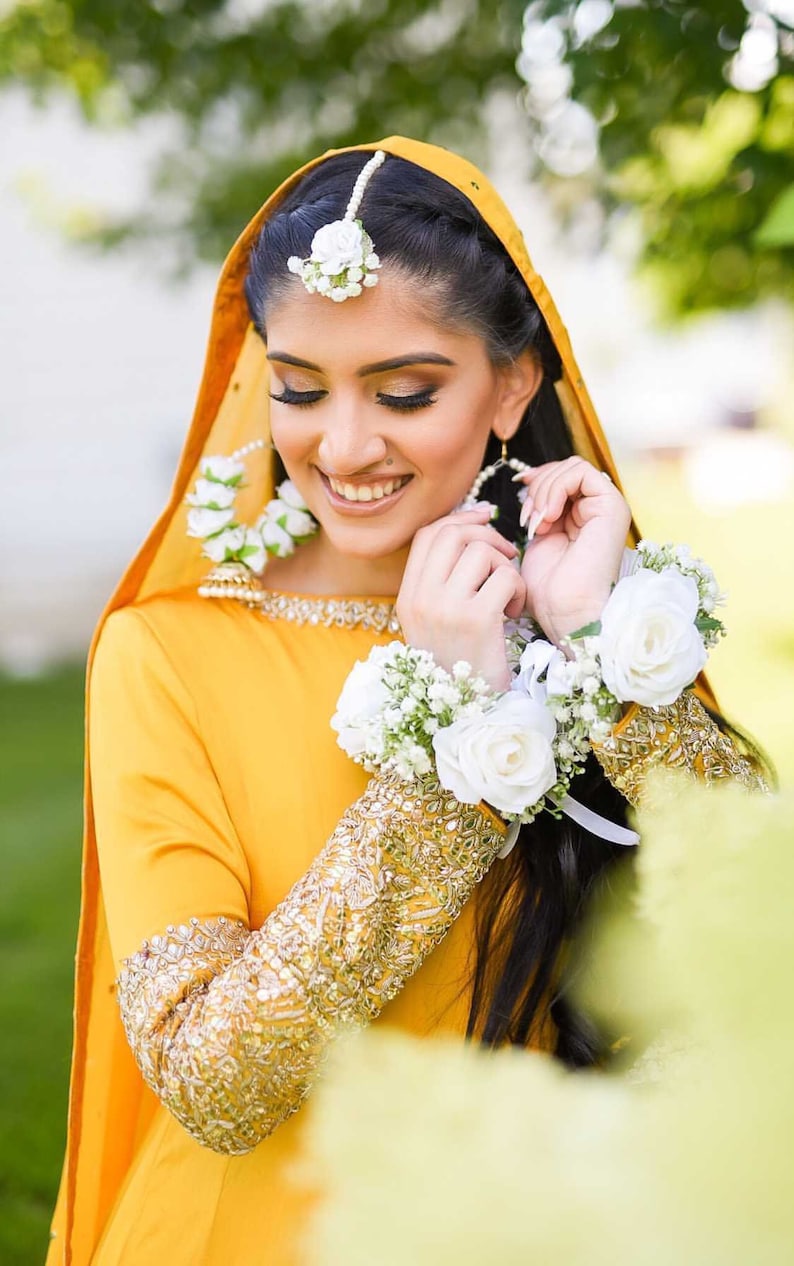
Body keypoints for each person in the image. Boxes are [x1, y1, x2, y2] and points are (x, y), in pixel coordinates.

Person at [46, 137, 769, 1266]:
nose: (340, 445)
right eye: (297, 388)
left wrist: (593, 650)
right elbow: (215, 1082)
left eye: (403, 391)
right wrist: (450, 733)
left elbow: (751, 942)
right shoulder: (164, 657)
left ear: (511, 385)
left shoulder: (579, 625)